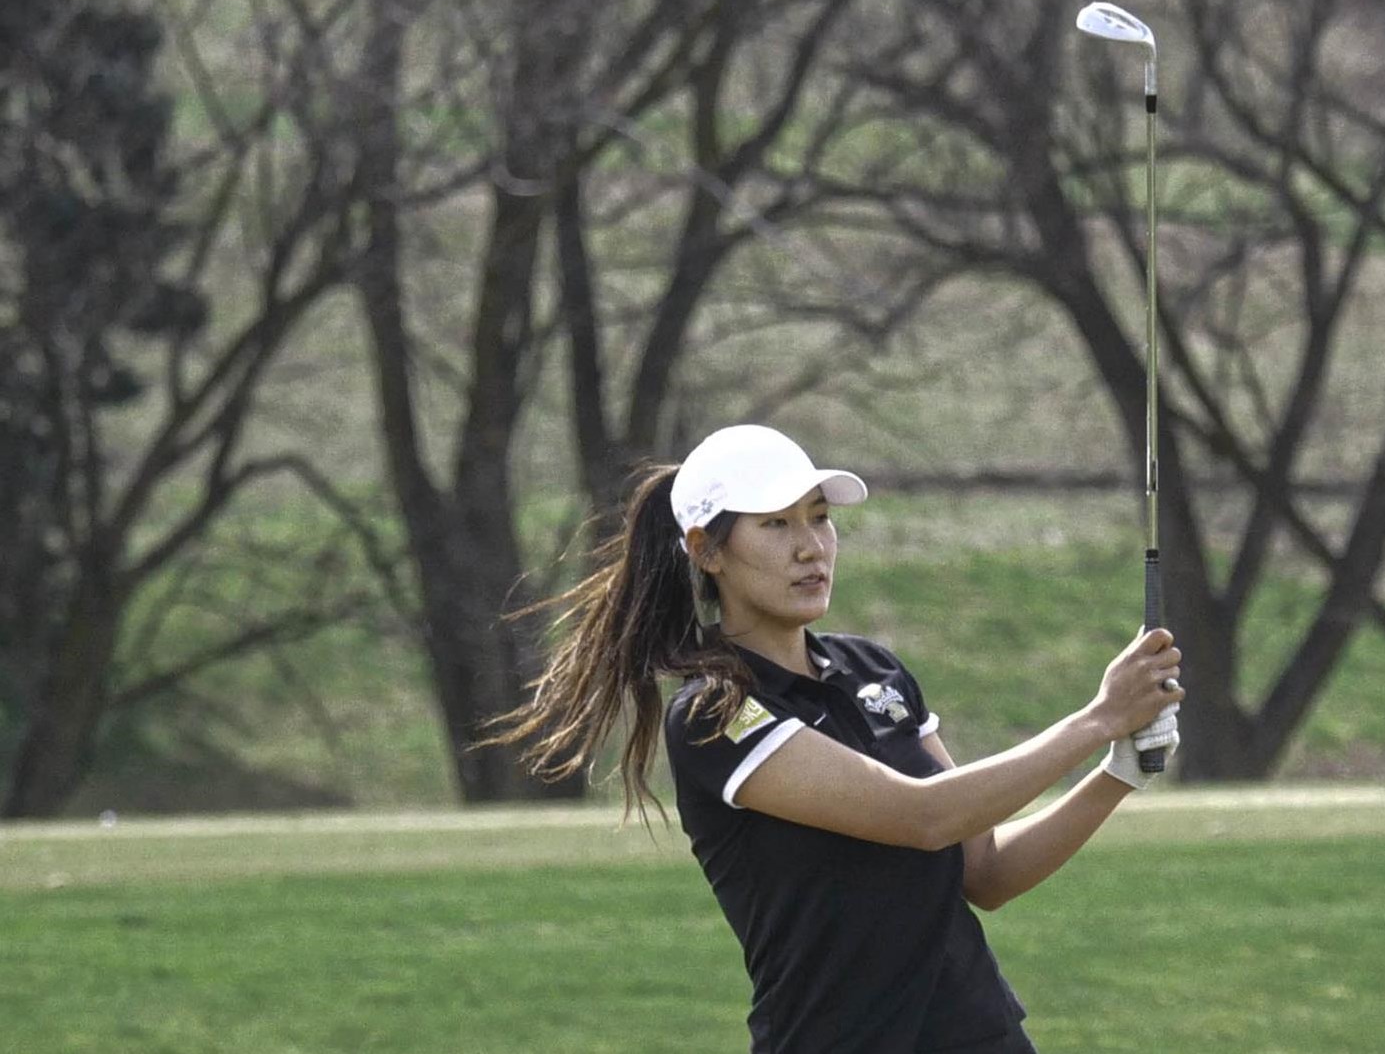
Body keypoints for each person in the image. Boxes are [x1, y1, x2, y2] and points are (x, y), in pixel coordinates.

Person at [485, 424, 1183, 1054]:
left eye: (820, 519)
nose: (809, 546)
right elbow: (923, 815)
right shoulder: (716, 712)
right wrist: (1096, 718)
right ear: (706, 551)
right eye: (776, 524)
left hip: (978, 1035)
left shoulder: (873, 670)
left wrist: (1116, 770)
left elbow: (987, 872)